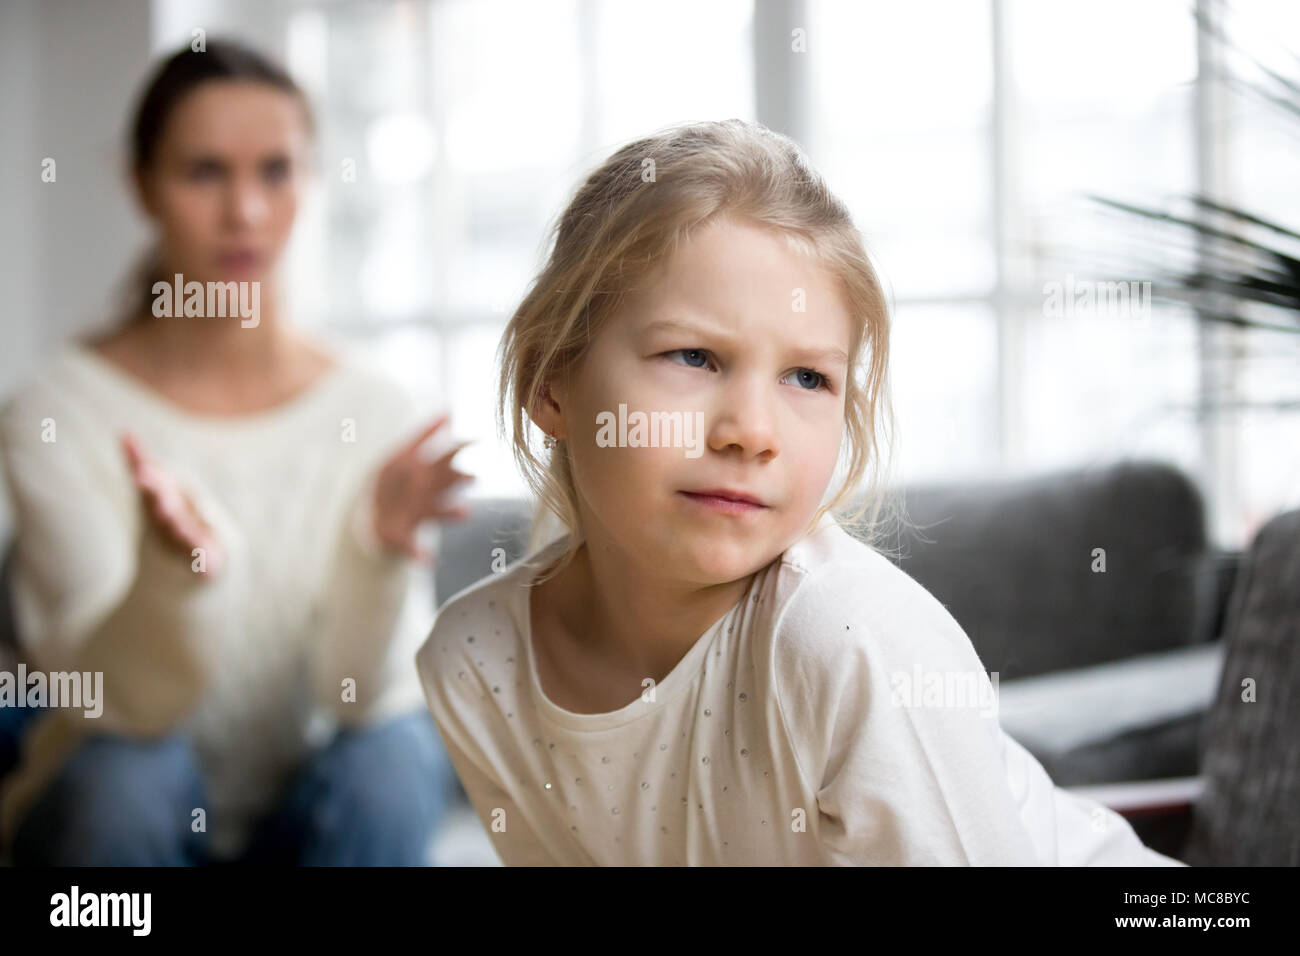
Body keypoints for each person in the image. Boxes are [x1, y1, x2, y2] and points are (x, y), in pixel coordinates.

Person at [415, 119, 1185, 866]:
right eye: (693, 356)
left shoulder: (849, 640)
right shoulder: (475, 662)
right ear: (551, 378)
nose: (752, 431)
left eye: (807, 378)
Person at [0, 39, 472, 865]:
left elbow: (358, 699)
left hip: (308, 812)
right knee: (127, 779)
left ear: (311, 182)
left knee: (395, 761)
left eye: (276, 172)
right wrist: (170, 578)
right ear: (141, 184)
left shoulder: (377, 412)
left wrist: (380, 556)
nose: (246, 212)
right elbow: (116, 706)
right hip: (117, 807)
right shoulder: (59, 413)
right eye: (205, 172)